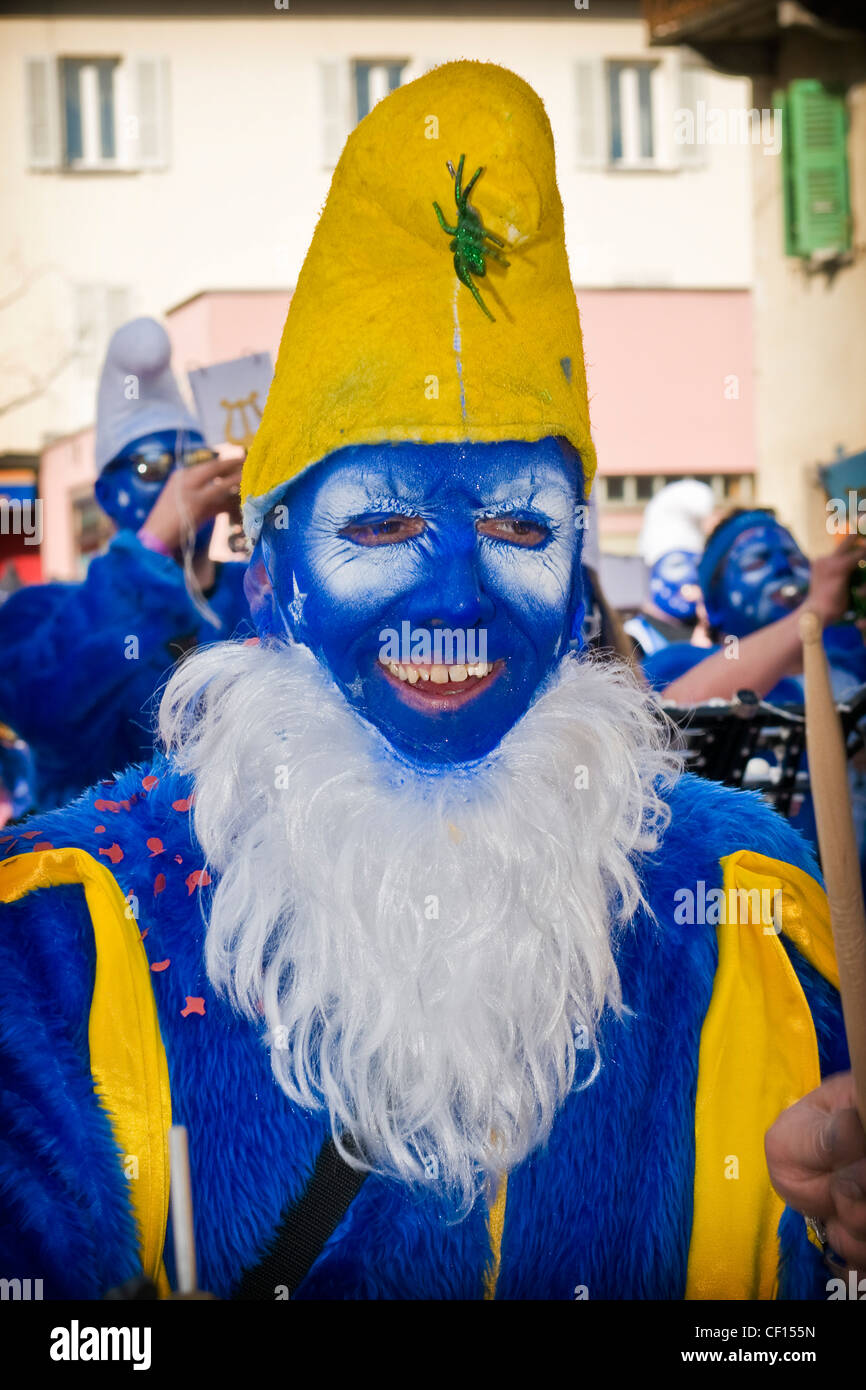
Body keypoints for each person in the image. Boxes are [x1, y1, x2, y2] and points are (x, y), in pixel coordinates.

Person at [0, 63, 863, 1301]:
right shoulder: (66, 937)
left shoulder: (749, 916)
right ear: (268, 573)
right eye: (381, 523)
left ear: (577, 573)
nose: (454, 601)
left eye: (519, 528)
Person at [0, 319, 251, 809]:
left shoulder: (256, 590)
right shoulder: (40, 613)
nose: (181, 480)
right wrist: (152, 547)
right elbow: (46, 711)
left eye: (195, 459)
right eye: (149, 468)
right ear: (106, 495)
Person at [642, 507, 866, 703]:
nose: (782, 568)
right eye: (757, 561)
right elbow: (678, 707)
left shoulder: (850, 652)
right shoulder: (676, 663)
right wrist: (814, 611)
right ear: (714, 605)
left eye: (796, 559)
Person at [624, 479, 715, 658]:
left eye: (698, 565)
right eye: (677, 565)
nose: (691, 575)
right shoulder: (631, 639)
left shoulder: (715, 633)